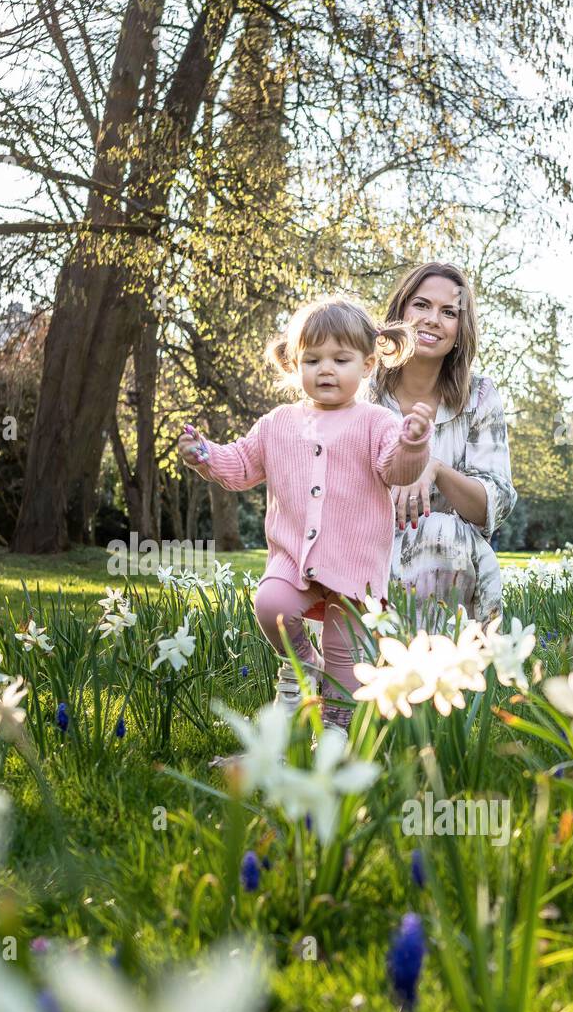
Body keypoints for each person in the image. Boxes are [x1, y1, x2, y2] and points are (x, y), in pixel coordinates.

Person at [178, 294, 434, 735]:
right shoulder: (277, 423)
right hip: (292, 558)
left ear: (368, 365)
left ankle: (335, 734)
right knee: (271, 604)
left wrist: (413, 443)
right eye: (312, 360)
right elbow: (240, 465)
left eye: (340, 358)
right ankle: (301, 662)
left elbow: (396, 469)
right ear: (295, 365)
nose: (326, 369)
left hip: (355, 567)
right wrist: (204, 455)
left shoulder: (375, 422)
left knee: (346, 655)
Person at [366, 262, 517, 626]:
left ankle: (440, 668)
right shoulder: (362, 390)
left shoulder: (479, 397)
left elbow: (493, 503)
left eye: (448, 312)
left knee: (438, 530)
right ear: (399, 314)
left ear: (460, 331)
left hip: (448, 557)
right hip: (367, 546)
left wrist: (432, 467)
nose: (433, 319)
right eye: (421, 305)